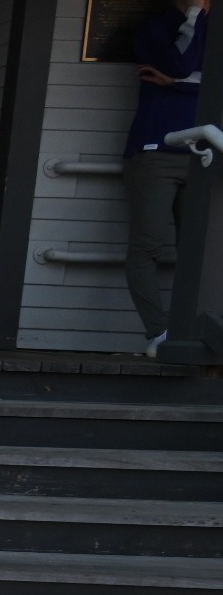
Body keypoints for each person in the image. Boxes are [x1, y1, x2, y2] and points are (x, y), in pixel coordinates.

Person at [123, 0, 208, 355]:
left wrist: (178, 84)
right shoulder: (154, 29)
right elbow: (181, 62)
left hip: (205, 155)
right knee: (149, 246)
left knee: (203, 252)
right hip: (155, 152)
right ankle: (158, 333)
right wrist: (194, 15)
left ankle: (198, 333)